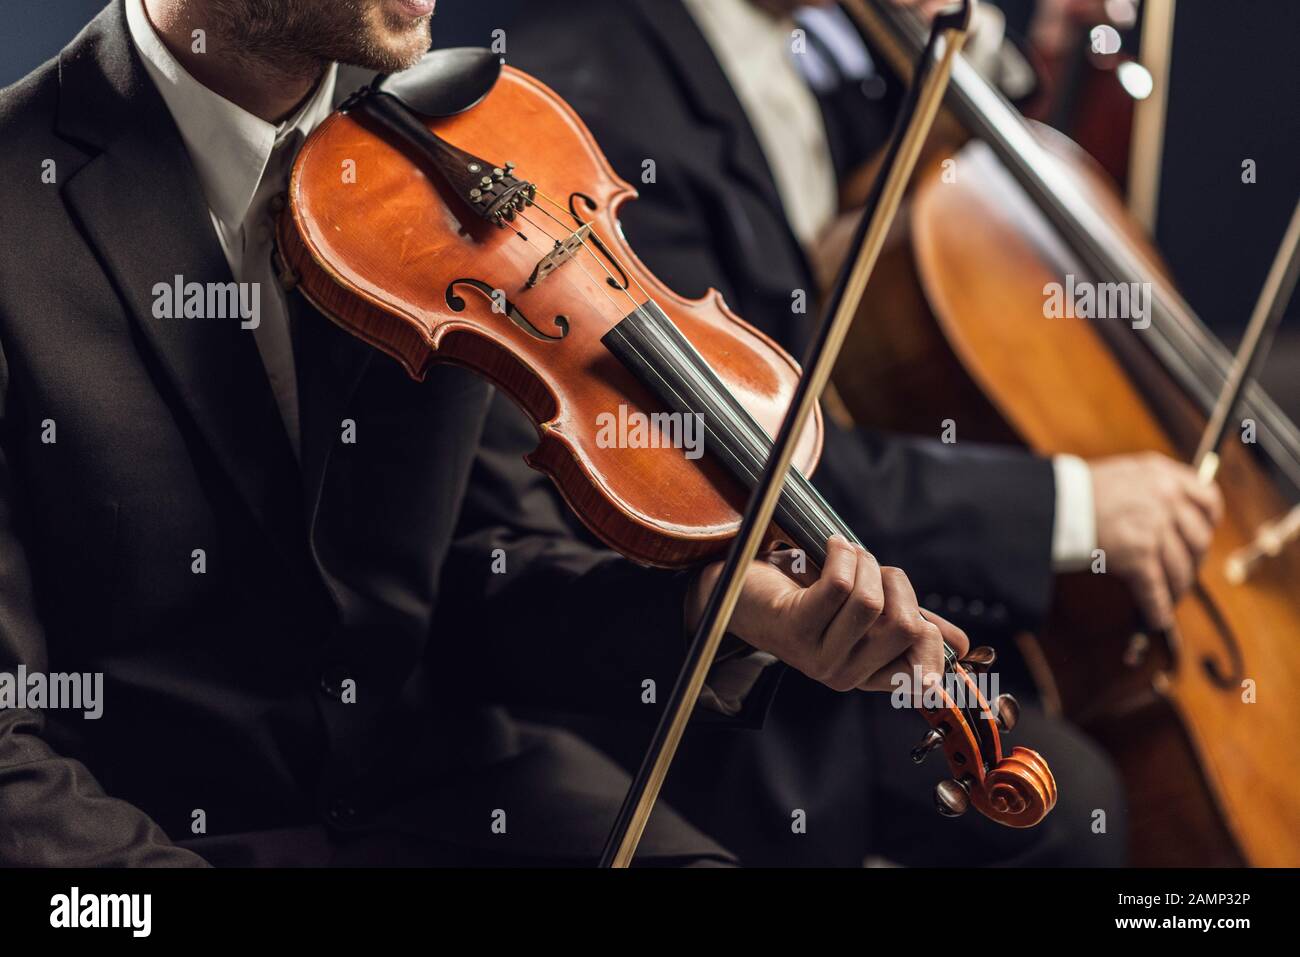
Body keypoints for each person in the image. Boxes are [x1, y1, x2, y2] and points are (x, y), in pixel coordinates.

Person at [0, 0, 969, 866]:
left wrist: (720, 615)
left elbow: (477, 574)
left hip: (454, 795)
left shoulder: (455, 151)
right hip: (160, 832)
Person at [506, 0, 1223, 865]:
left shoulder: (825, 58)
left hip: (868, 567)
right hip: (687, 659)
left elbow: (970, 211)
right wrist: (1069, 507)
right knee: (1065, 804)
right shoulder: (594, 89)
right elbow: (733, 456)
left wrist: (1000, 56)